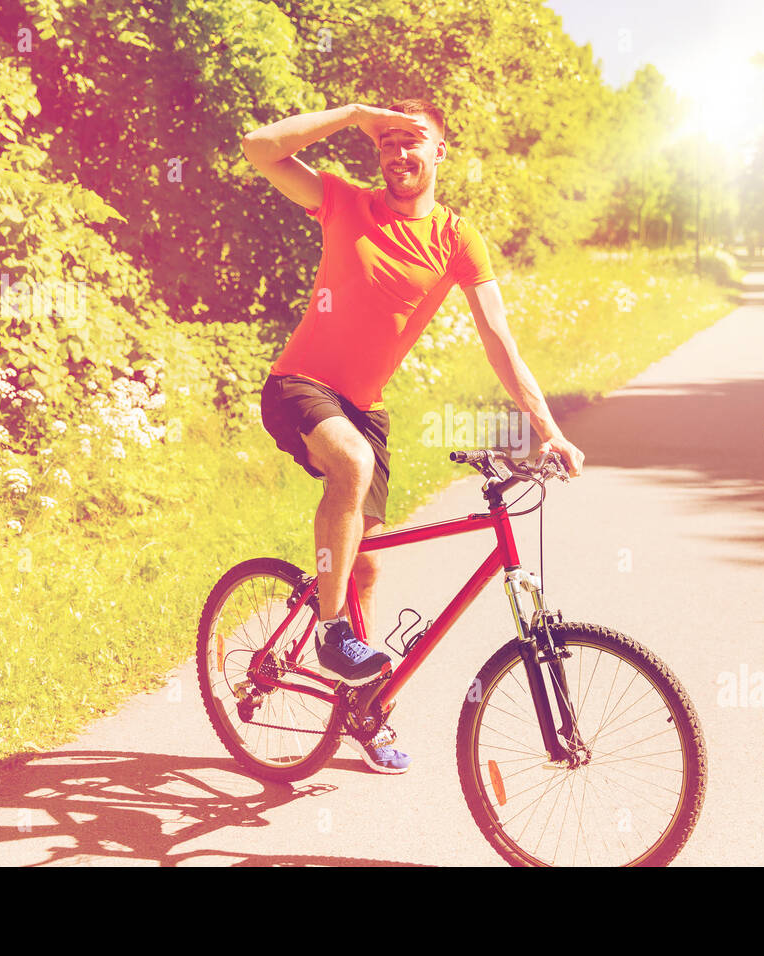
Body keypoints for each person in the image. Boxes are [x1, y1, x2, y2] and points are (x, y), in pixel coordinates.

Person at [243, 99, 584, 773]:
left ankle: (365, 714)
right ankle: (331, 635)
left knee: (364, 564)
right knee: (353, 461)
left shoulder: (458, 238)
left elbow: (498, 340)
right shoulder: (344, 203)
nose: (400, 152)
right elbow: (259, 147)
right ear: (378, 150)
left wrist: (548, 430)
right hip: (298, 385)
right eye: (389, 140)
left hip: (362, 407)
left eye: (415, 140)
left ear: (439, 154)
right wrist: (355, 113)